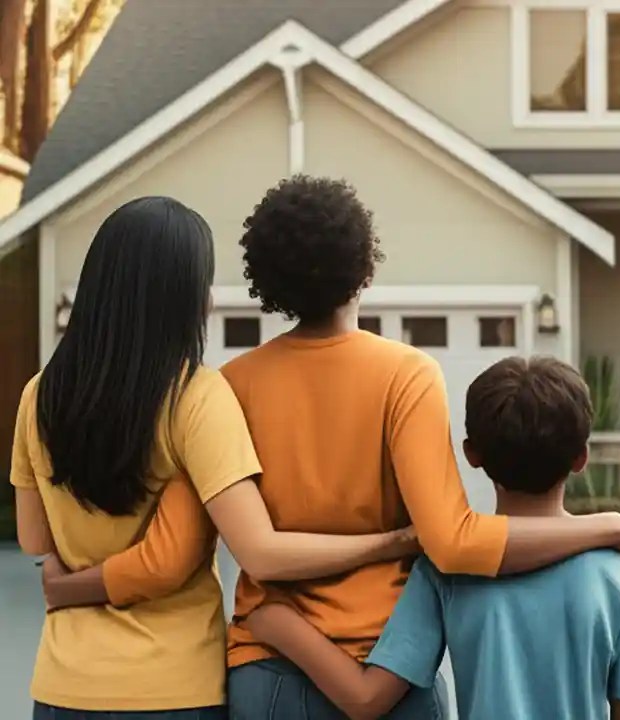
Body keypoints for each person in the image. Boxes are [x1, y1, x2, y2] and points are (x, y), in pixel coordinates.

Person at [47, 176, 620, 718]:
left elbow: (173, 551)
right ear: (365, 270)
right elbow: (450, 540)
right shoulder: (406, 375)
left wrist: (71, 584)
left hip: (266, 666)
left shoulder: (229, 388)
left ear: (271, 283)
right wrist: (610, 527)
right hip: (385, 664)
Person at [11, 196, 421, 719]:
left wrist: (69, 585)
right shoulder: (195, 398)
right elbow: (257, 552)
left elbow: (35, 540)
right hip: (173, 688)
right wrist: (392, 542)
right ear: (182, 297)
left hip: (62, 687)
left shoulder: (37, 396)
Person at [246, 356, 620, 720]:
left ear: (471, 454)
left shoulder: (447, 570)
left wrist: (278, 623)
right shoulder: (619, 572)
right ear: (581, 458)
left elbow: (366, 700)